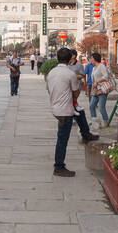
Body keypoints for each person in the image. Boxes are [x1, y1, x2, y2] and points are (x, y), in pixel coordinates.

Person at [46, 46, 89, 176]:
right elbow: (76, 94)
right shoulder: (70, 74)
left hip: (56, 106)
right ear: (70, 58)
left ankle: (86, 133)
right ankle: (59, 166)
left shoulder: (51, 73)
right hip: (65, 110)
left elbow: (49, 89)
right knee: (62, 139)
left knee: (80, 113)